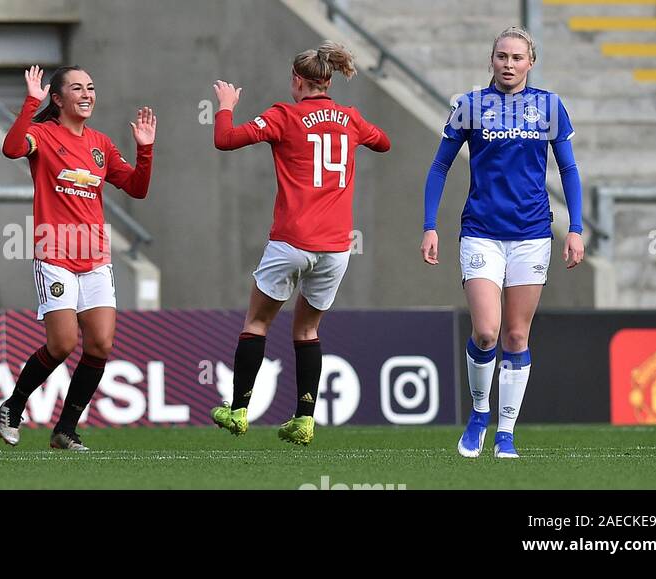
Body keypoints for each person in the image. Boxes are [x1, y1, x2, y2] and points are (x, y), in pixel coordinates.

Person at [208, 41, 390, 445]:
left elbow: (225, 139)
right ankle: (304, 419)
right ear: (328, 80)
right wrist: (352, 132)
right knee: (307, 331)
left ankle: (239, 410)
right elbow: (384, 142)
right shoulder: (350, 118)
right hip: (336, 247)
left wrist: (225, 104)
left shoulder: (283, 116)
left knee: (257, 323)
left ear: (297, 80)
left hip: (291, 241)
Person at [423, 26, 584, 459]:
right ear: (490, 60)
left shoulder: (550, 107)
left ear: (531, 62)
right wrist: (430, 225)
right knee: (486, 330)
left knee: (516, 335)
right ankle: (478, 415)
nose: (508, 64)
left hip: (532, 235)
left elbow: (568, 170)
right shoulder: (470, 106)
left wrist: (576, 227)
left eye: (516, 57)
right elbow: (439, 167)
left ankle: (506, 433)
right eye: (501, 56)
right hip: (481, 232)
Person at [0, 65, 155, 451]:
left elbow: (136, 188)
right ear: (58, 98)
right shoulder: (44, 135)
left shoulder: (100, 143)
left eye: (92, 87)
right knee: (63, 343)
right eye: (78, 88)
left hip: (95, 257)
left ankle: (64, 430)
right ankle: (14, 406)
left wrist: (145, 149)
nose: (87, 94)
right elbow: (11, 148)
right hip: (55, 253)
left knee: (100, 344)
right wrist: (28, 103)